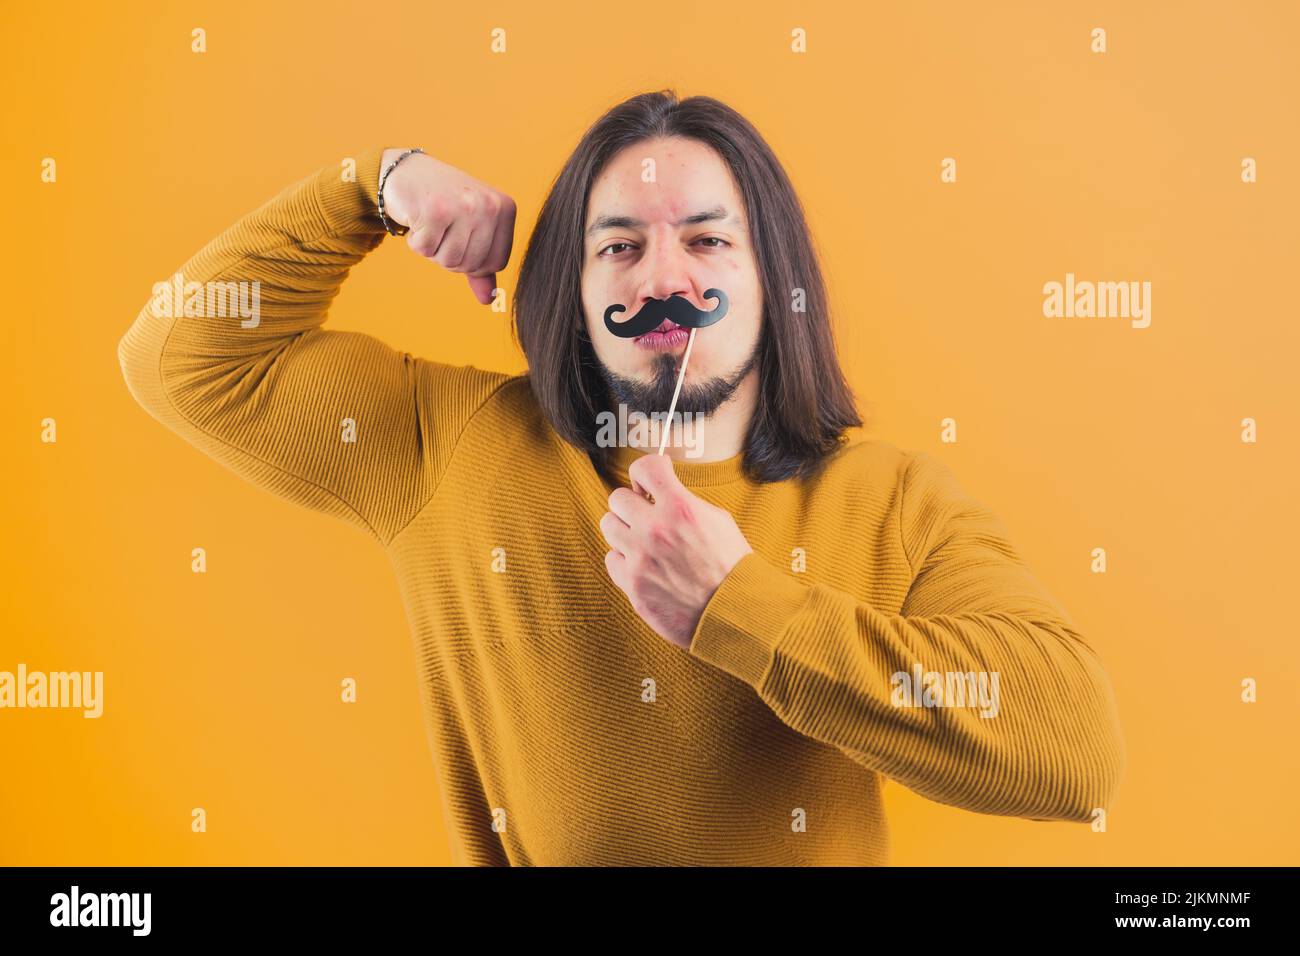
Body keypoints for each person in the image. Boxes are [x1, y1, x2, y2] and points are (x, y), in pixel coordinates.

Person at [118, 90, 1125, 865]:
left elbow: (1074, 751)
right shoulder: (452, 444)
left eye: (705, 239)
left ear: (774, 285)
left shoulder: (893, 502)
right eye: (619, 246)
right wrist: (372, 186)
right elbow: (177, 359)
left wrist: (741, 604)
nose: (662, 280)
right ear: (572, 282)